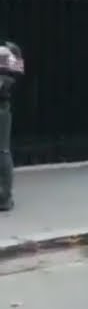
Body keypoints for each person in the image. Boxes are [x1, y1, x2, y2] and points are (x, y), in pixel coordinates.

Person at [0, 39, 24, 212]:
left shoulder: (6, 49)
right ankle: (4, 196)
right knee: (2, 150)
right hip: (3, 106)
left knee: (2, 152)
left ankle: (4, 197)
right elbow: (16, 76)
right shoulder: (9, 48)